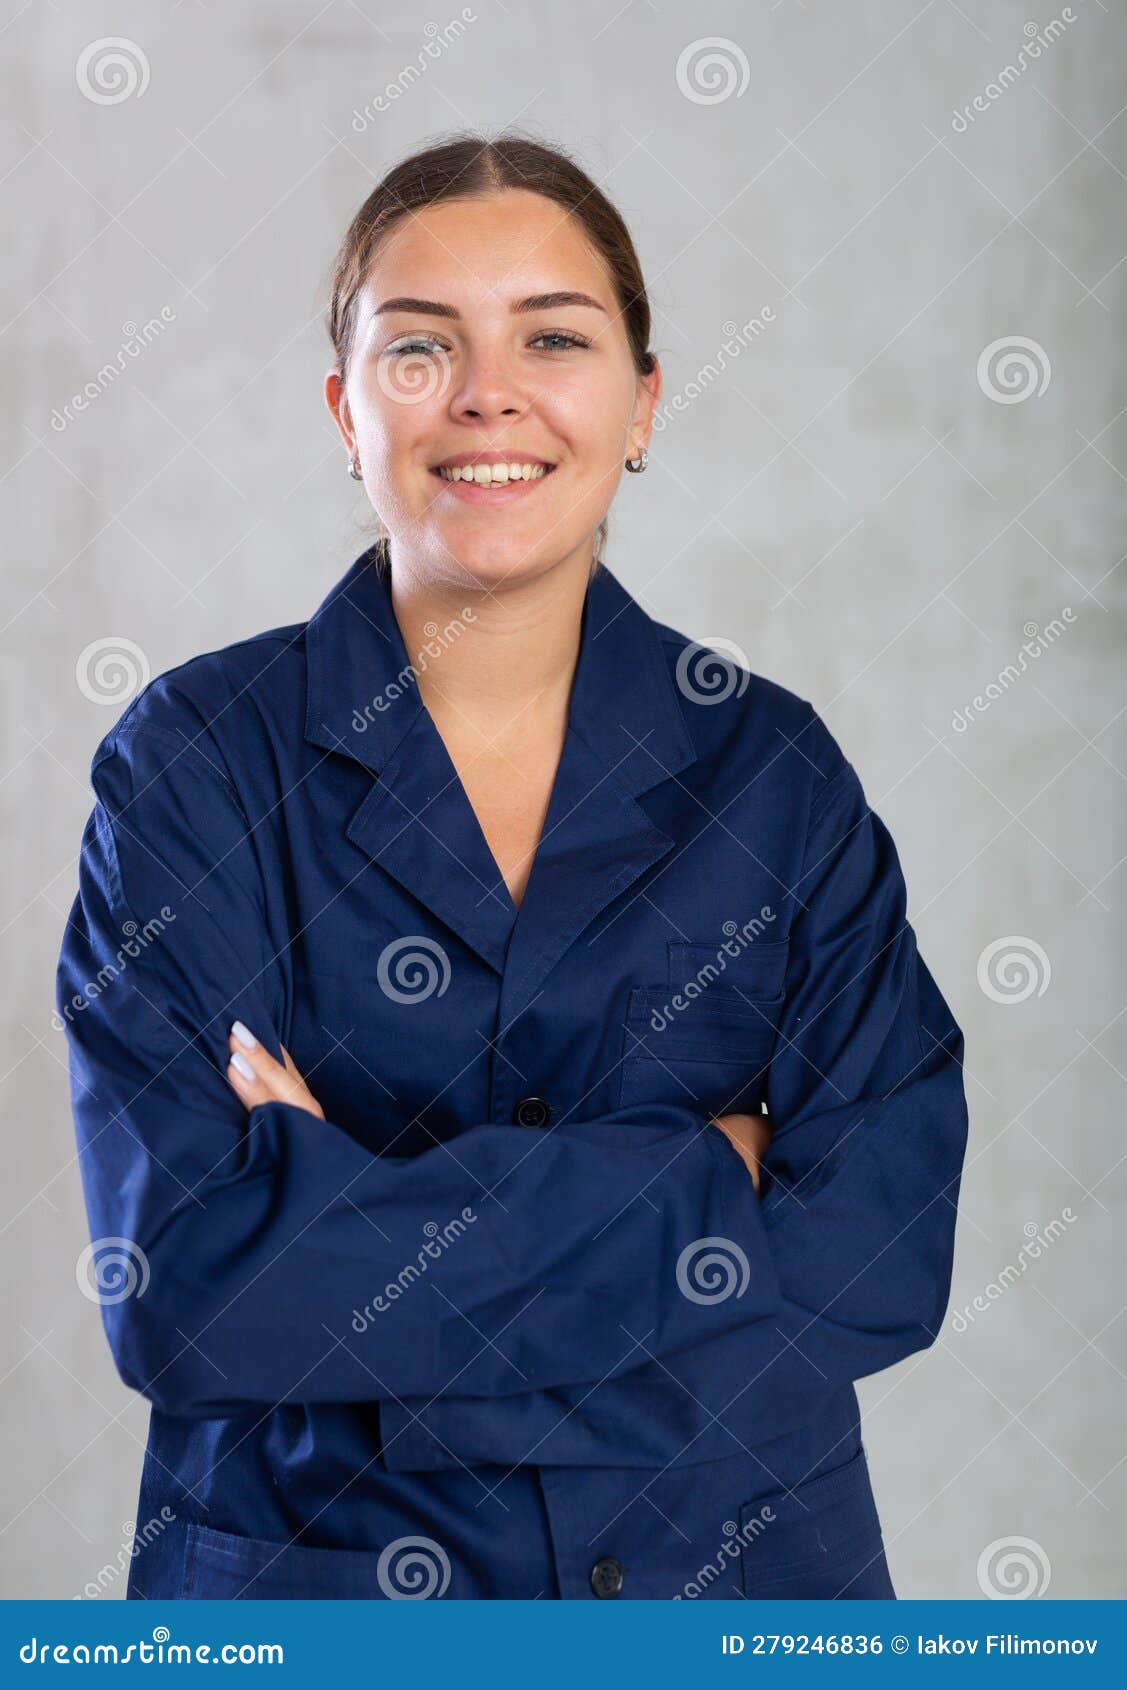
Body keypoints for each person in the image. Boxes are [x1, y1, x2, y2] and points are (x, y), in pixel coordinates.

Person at [57, 133, 969, 1601]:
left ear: (644, 401)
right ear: (346, 408)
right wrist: (707, 1176)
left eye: (554, 334)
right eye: (421, 347)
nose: (490, 391)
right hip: (327, 1598)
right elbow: (194, 1296)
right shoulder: (197, 765)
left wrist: (350, 1223)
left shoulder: (775, 777)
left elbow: (877, 1250)